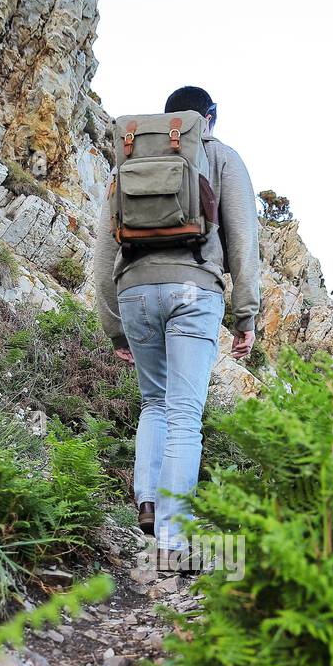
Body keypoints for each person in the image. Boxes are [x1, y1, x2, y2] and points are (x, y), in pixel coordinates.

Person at [94, 85, 260, 567]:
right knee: (186, 414)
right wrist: (245, 314)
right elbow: (244, 239)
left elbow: (103, 251)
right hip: (195, 291)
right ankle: (171, 542)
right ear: (209, 117)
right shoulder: (222, 157)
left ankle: (146, 501)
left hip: (135, 293)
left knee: (154, 402)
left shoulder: (130, 157)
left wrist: (114, 326)